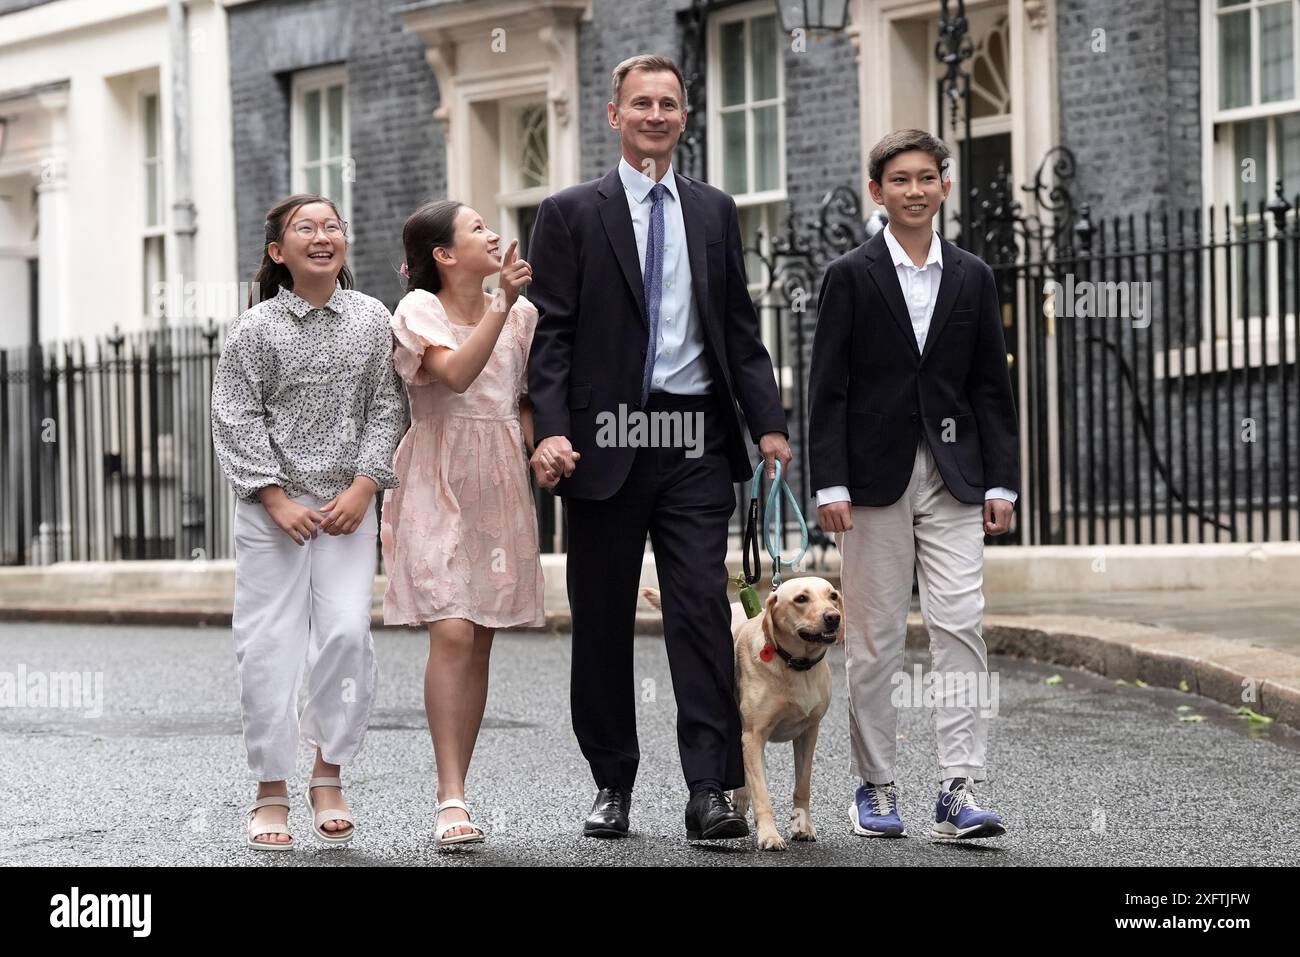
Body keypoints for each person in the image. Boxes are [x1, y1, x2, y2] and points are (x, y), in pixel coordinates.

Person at [526, 53, 790, 842]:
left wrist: (767, 420)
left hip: (694, 435)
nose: (654, 115)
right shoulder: (571, 212)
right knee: (602, 617)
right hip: (606, 439)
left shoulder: (713, 210)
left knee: (701, 614)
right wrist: (551, 427)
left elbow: (739, 329)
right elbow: (553, 335)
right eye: (640, 103)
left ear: (684, 117)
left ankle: (710, 788)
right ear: (614, 115)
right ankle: (612, 781)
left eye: (668, 103)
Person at [807, 129, 1019, 841]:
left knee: (962, 626)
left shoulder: (973, 275)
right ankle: (875, 786)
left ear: (944, 186)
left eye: (927, 177)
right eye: (900, 179)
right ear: (878, 191)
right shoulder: (850, 274)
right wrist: (828, 482)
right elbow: (827, 388)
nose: (915, 190)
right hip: (871, 480)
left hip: (955, 478)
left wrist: (1004, 481)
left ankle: (959, 788)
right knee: (874, 638)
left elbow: (992, 387)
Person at [212, 193, 408, 850]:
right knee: (269, 647)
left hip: (347, 511)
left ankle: (329, 773)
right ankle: (270, 787)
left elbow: (387, 407)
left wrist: (362, 488)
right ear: (278, 252)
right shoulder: (254, 329)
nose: (322, 236)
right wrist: (275, 499)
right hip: (273, 515)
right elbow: (236, 417)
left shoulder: (373, 319)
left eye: (331, 226)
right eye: (305, 229)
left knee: (347, 635)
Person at [380, 200, 541, 849]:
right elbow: (454, 372)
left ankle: (461, 785)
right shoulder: (418, 309)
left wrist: (543, 444)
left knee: (479, 637)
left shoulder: (524, 315)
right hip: (438, 473)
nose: (493, 233)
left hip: (499, 478)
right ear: (445, 254)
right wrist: (500, 304)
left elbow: (524, 399)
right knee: (450, 624)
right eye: (477, 227)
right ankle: (449, 796)